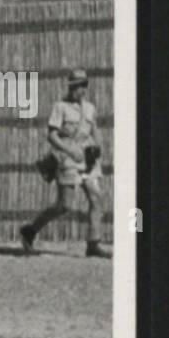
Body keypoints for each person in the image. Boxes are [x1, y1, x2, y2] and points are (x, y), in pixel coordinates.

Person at [20, 70, 109, 258]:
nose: (80, 90)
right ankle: (30, 230)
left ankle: (93, 244)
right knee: (64, 205)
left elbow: (95, 130)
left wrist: (99, 148)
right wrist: (69, 151)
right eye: (75, 86)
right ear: (70, 87)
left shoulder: (90, 108)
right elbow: (52, 135)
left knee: (96, 198)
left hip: (88, 159)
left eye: (82, 85)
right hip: (67, 159)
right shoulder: (60, 107)